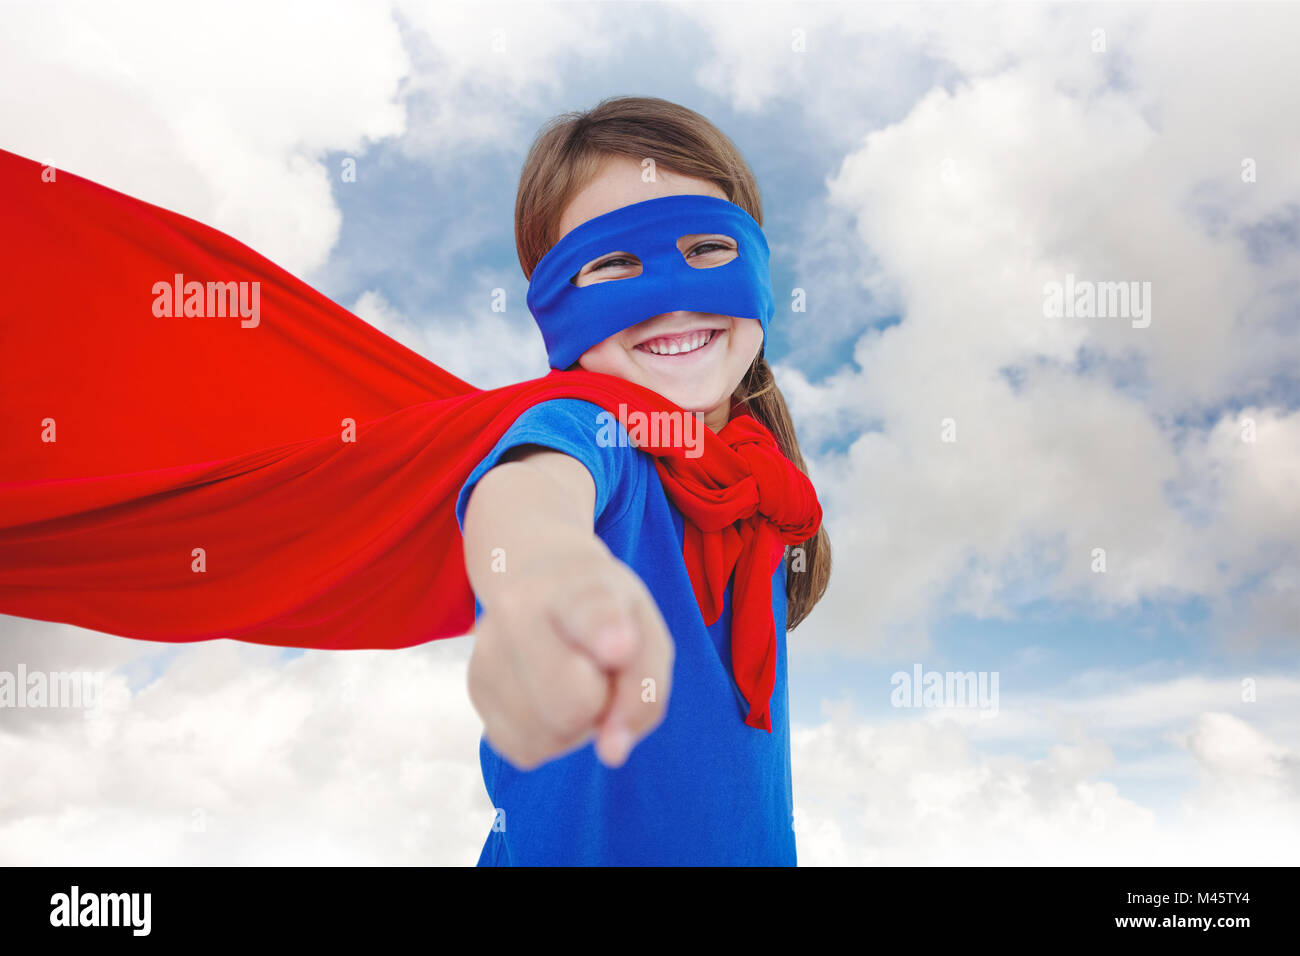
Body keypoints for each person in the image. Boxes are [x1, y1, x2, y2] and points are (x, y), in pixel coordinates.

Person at [456, 95, 831, 866]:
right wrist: (548, 583)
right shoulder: (588, 429)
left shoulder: (763, 483)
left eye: (706, 249)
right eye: (613, 262)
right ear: (553, 307)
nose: (670, 293)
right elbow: (530, 494)